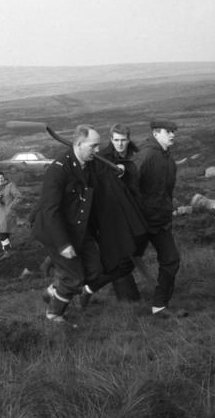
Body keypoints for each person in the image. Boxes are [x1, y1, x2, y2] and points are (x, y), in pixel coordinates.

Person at [33, 125, 103, 327]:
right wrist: (63, 244)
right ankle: (53, 315)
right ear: (79, 144)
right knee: (74, 278)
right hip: (55, 231)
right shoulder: (57, 171)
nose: (97, 151)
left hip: (79, 229)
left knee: (95, 271)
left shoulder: (87, 163)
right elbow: (50, 211)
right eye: (94, 146)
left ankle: (53, 291)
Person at [78, 124, 148, 307]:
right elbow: (96, 185)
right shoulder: (102, 160)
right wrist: (113, 174)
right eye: (116, 140)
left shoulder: (135, 156)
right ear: (111, 140)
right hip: (115, 219)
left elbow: (139, 183)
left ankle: (87, 290)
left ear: (129, 139)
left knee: (131, 255)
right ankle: (79, 291)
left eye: (123, 140)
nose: (120, 144)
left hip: (136, 215)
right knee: (122, 259)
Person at [134, 120, 186, 319]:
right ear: (156, 133)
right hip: (141, 222)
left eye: (174, 131)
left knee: (171, 260)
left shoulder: (167, 158)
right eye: (168, 131)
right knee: (119, 264)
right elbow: (131, 187)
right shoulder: (146, 156)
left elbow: (165, 191)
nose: (173, 134)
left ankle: (160, 307)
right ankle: (81, 287)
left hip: (160, 222)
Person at [0, 172, 22, 260]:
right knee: (3, 233)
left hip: (7, 213)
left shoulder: (10, 186)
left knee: (1, 233)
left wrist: (10, 207)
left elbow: (18, 197)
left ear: (4, 178)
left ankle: (7, 252)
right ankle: (7, 251)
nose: (0, 179)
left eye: (1, 177)